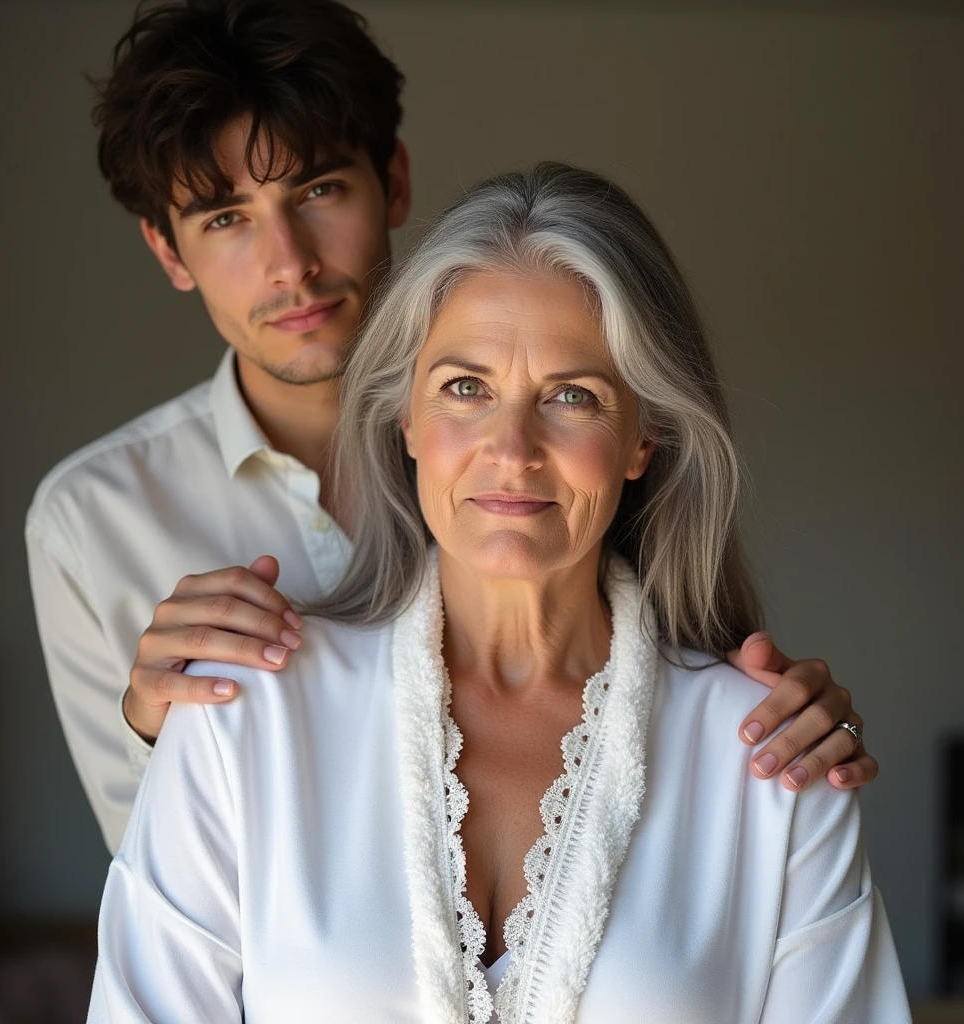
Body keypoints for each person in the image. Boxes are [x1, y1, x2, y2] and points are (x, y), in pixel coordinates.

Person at [27, 0, 874, 860]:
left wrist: (785, 722)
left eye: (318, 190)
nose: (290, 263)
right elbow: (151, 886)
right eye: (225, 219)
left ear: (392, 179)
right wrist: (153, 727)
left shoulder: (558, 471)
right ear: (169, 252)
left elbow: (692, 694)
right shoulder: (88, 520)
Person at [86, 162, 910, 1023]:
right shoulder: (240, 713)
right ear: (406, 416)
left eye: (572, 395)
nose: (511, 449)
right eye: (466, 388)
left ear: (644, 435)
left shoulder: (772, 762)